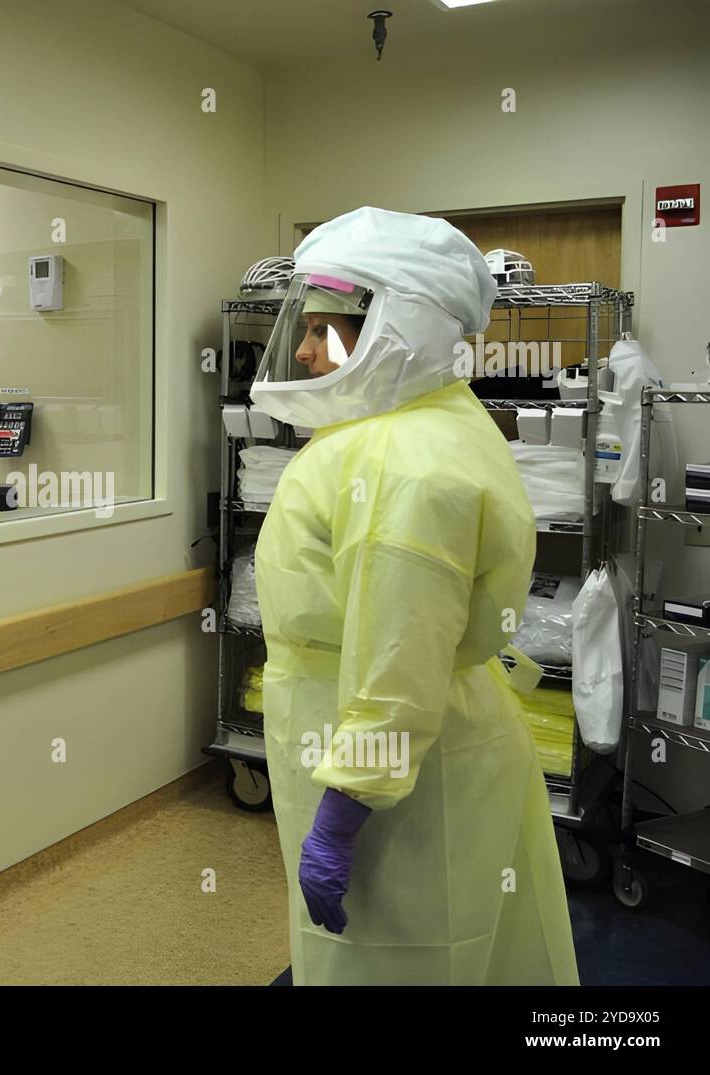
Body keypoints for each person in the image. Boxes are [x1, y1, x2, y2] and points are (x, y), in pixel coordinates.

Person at [248, 207, 579, 986]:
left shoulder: (400, 461)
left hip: (394, 781)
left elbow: (397, 667)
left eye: (327, 329)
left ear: (404, 329)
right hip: (430, 748)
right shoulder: (431, 419)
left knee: (399, 960)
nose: (303, 348)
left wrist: (345, 810)